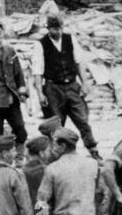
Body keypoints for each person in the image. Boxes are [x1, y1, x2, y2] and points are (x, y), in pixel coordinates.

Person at [33, 14, 99, 159]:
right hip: (53, 88)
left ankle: (93, 151)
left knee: (83, 121)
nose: (57, 32)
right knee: (55, 125)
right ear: (48, 29)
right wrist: (40, 93)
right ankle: (56, 156)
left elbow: (79, 62)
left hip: (72, 86)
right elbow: (38, 70)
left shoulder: (70, 39)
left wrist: (85, 84)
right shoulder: (41, 44)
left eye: (59, 29)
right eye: (53, 29)